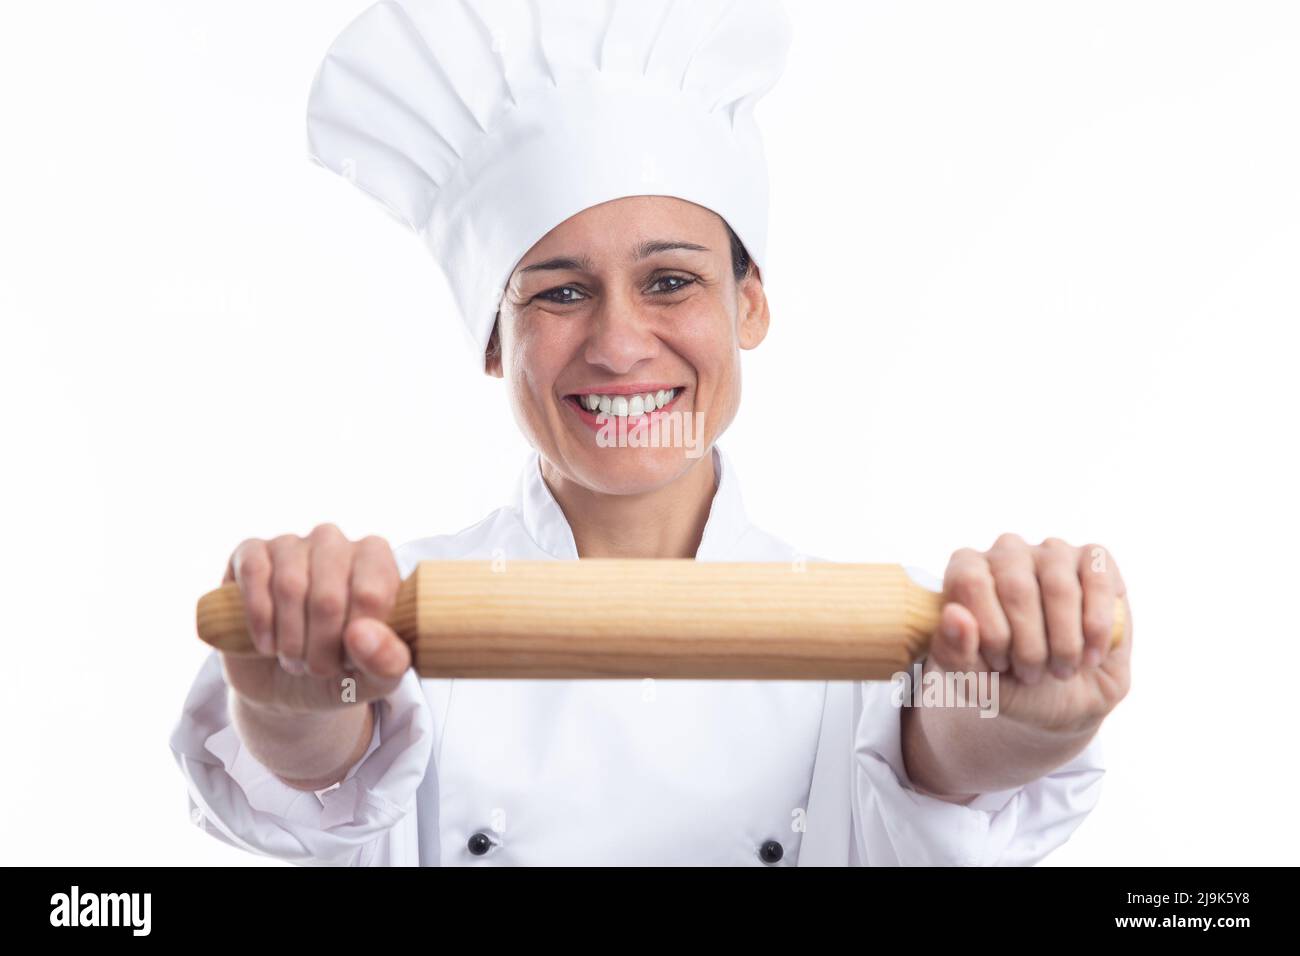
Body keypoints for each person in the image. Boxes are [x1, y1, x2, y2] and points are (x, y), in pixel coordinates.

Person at [170, 0, 1132, 866]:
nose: (620, 344)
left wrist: (1018, 714)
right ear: (495, 342)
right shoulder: (393, 614)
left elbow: (949, 749)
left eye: (670, 282)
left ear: (749, 304)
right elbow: (319, 761)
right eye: (560, 293)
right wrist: (294, 700)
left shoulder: (877, 634)